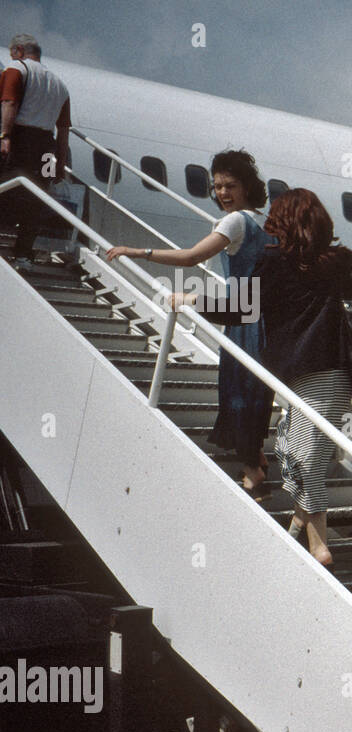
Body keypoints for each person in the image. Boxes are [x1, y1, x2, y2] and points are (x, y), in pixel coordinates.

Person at [174, 189, 352, 569]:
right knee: (294, 449)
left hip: (315, 370)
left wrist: (193, 299)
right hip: (328, 371)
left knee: (304, 457)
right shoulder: (340, 260)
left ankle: (320, 547)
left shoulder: (276, 260)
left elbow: (240, 309)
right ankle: (298, 526)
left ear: (283, 223)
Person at [108, 150, 274, 498]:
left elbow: (191, 257)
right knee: (254, 393)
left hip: (242, 319)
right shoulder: (266, 223)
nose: (223, 193)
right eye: (218, 186)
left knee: (237, 392)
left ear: (246, 186)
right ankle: (256, 460)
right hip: (263, 319)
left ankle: (253, 473)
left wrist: (138, 252)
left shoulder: (234, 222)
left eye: (230, 185)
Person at [0, 34, 71, 265]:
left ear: (19, 50)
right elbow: (64, 130)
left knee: (5, 187)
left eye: (12, 53)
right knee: (38, 197)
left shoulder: (16, 69)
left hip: (20, 138)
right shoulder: (60, 85)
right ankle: (23, 254)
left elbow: (9, 102)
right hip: (48, 147)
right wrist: (60, 165)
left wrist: (5, 135)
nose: (12, 57)